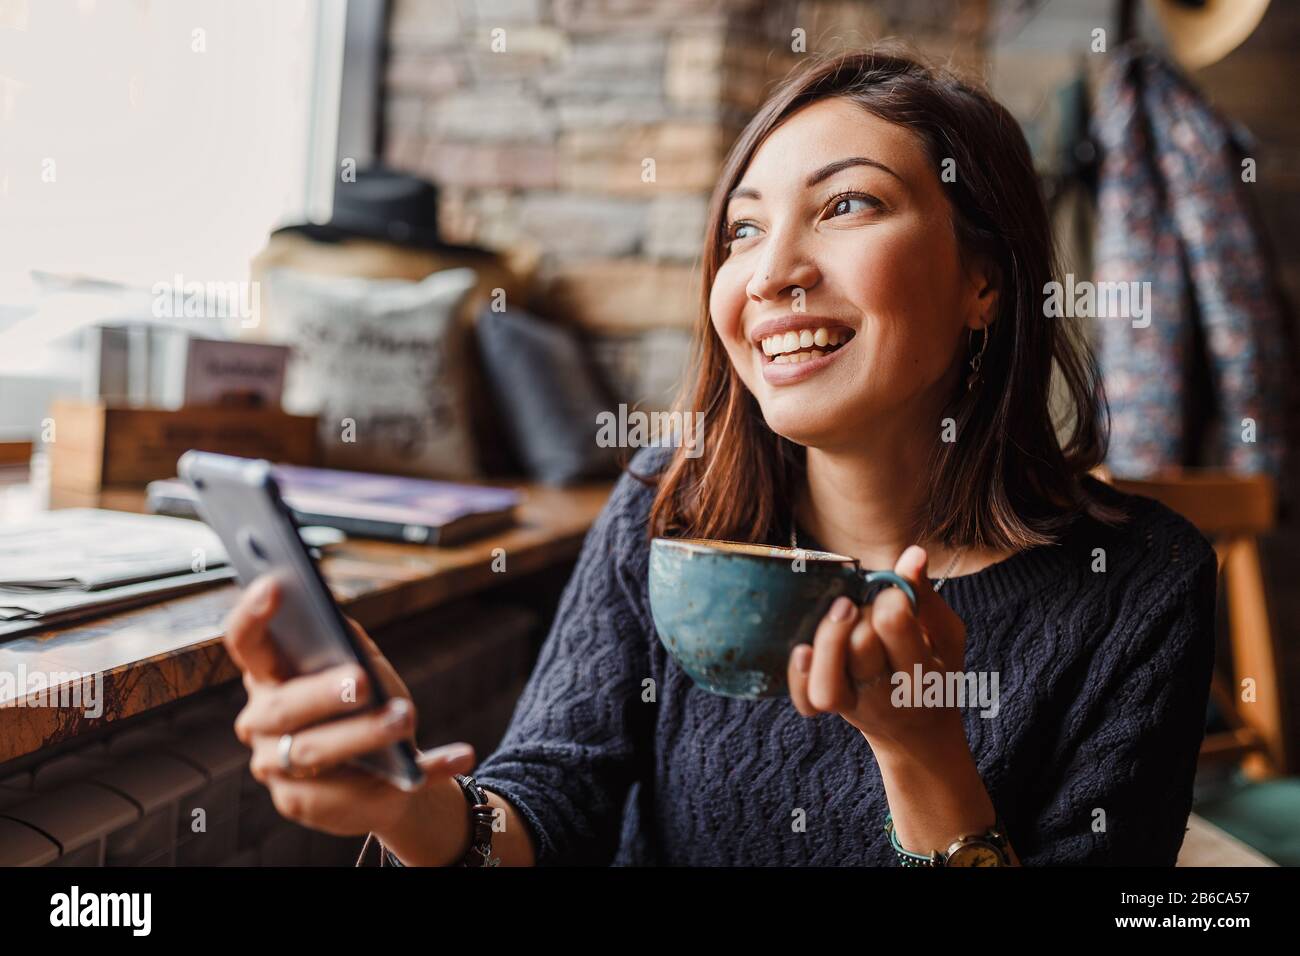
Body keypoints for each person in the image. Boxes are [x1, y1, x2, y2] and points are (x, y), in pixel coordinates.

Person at [223, 47, 1217, 866]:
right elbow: (552, 796)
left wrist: (924, 760)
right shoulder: (670, 501)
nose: (771, 272)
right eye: (742, 228)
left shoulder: (1139, 584)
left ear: (985, 283)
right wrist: (408, 804)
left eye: (846, 206)